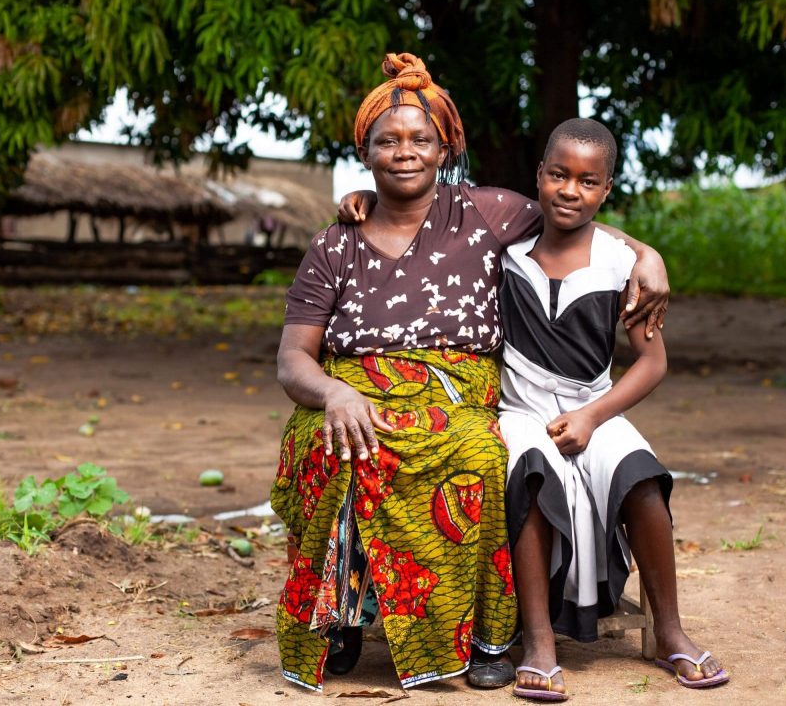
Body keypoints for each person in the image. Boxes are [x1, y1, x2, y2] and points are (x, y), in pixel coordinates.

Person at [273, 53, 669, 693]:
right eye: (388, 141)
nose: (405, 152)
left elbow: (573, 214)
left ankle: (485, 635)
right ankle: (340, 615)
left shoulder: (485, 212)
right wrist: (333, 392)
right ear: (365, 151)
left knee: (480, 453)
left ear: (444, 149)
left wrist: (647, 255)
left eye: (420, 139)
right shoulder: (334, 243)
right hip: (350, 391)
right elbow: (293, 358)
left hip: (455, 397)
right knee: (332, 444)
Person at [497, 118, 728, 701]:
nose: (570, 191)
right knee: (531, 472)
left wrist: (592, 418)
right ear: (539, 175)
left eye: (587, 181)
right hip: (519, 410)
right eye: (558, 175)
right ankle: (539, 641)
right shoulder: (506, 251)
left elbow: (652, 363)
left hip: (594, 404)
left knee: (641, 475)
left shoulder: (621, 265)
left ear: (606, 190)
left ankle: (670, 631)